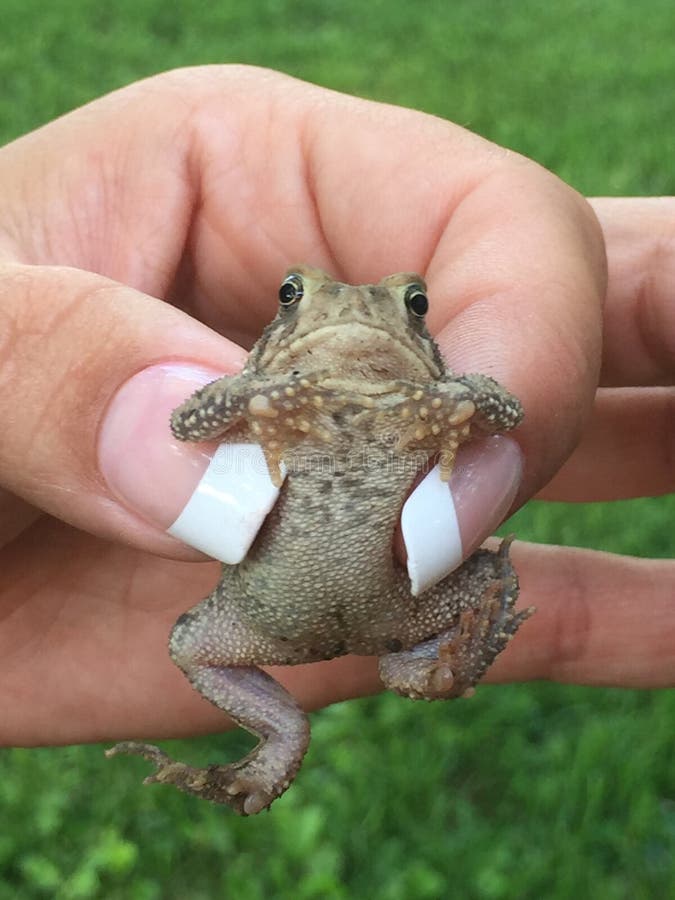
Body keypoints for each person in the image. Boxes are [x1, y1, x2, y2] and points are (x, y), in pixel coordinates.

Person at [0, 66, 672, 748]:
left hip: (404, 602)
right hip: (265, 608)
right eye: (295, 296)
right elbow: (181, 421)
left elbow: (503, 407)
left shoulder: (429, 400)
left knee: (485, 581)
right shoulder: (259, 395)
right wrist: (251, 395)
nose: (351, 314)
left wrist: (460, 399)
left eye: (412, 305)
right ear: (280, 319)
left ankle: (434, 672)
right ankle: (280, 736)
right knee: (194, 643)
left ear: (421, 327)